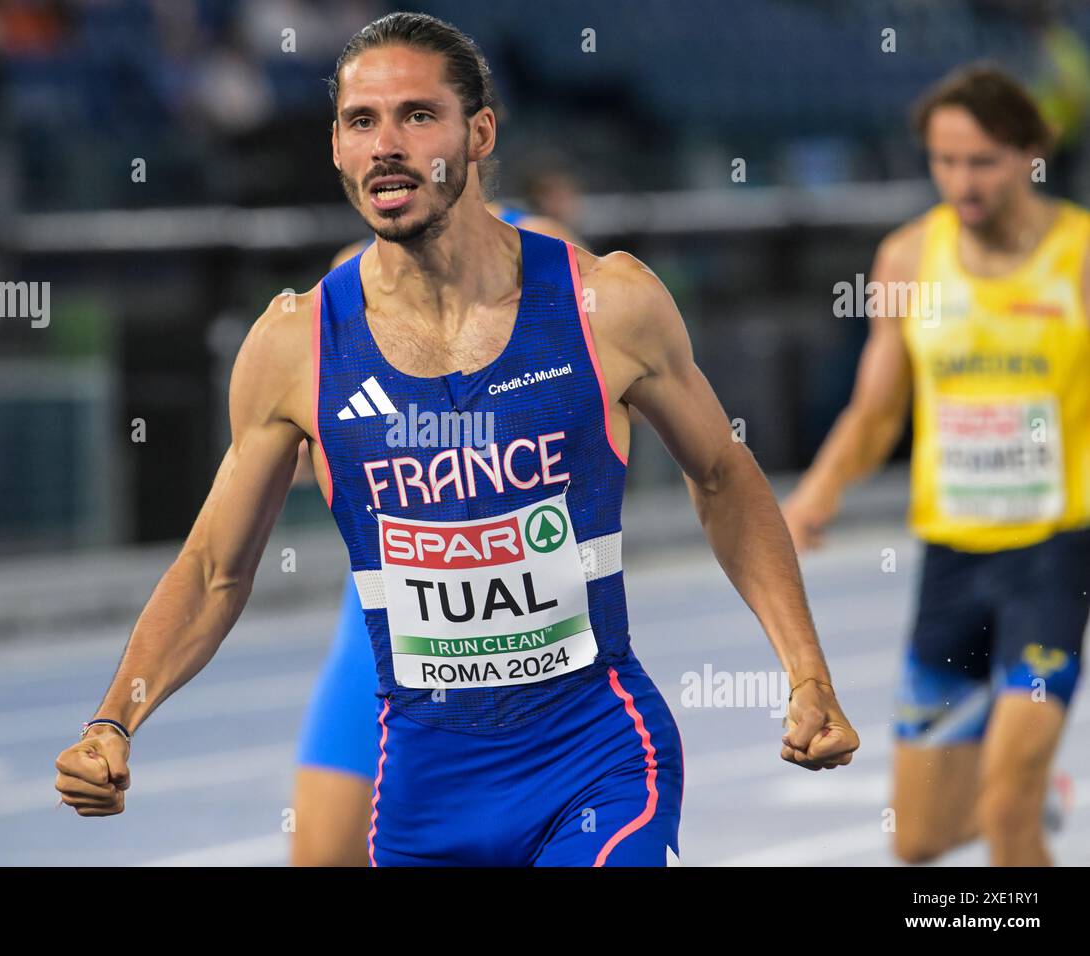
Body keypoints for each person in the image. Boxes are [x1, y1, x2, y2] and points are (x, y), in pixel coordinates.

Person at [56, 11, 858, 867]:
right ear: (335, 146)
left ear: (479, 133)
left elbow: (724, 479)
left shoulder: (607, 304)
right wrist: (115, 719)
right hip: (424, 797)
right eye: (361, 122)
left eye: (416, 115)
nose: (386, 145)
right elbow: (216, 568)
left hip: (597, 763)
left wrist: (806, 673)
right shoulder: (292, 345)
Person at [782, 64, 1090, 867]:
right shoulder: (910, 258)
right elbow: (879, 408)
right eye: (945, 162)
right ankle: (1020, 802)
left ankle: (1018, 805)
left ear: (1030, 154)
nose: (962, 181)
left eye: (982, 161)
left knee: (1007, 799)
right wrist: (816, 494)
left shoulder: (1080, 257)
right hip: (952, 565)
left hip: (1053, 558)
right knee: (917, 842)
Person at [292, 202, 583, 867]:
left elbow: (603, 410)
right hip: (381, 635)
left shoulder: (549, 256)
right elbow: (308, 444)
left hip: (517, 641)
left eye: (420, 112)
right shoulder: (351, 277)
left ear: (477, 131)